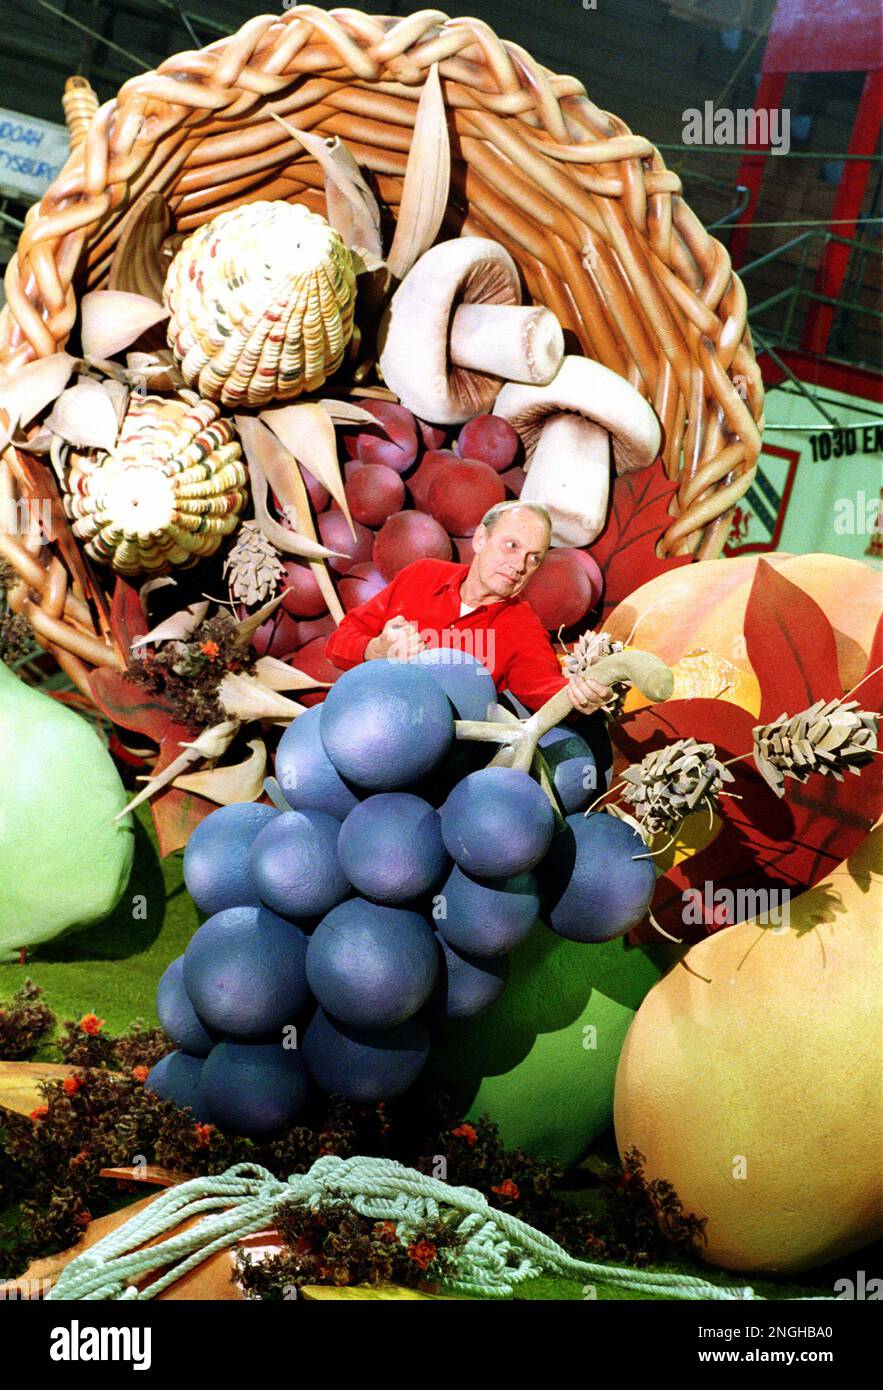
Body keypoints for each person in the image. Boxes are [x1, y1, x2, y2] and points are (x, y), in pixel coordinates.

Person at [324, 500, 613, 716]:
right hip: (366, 716)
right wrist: (375, 649)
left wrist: (578, 695)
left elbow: (542, 688)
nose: (519, 566)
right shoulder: (421, 576)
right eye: (511, 545)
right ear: (480, 539)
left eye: (534, 558)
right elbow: (338, 643)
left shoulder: (523, 628)